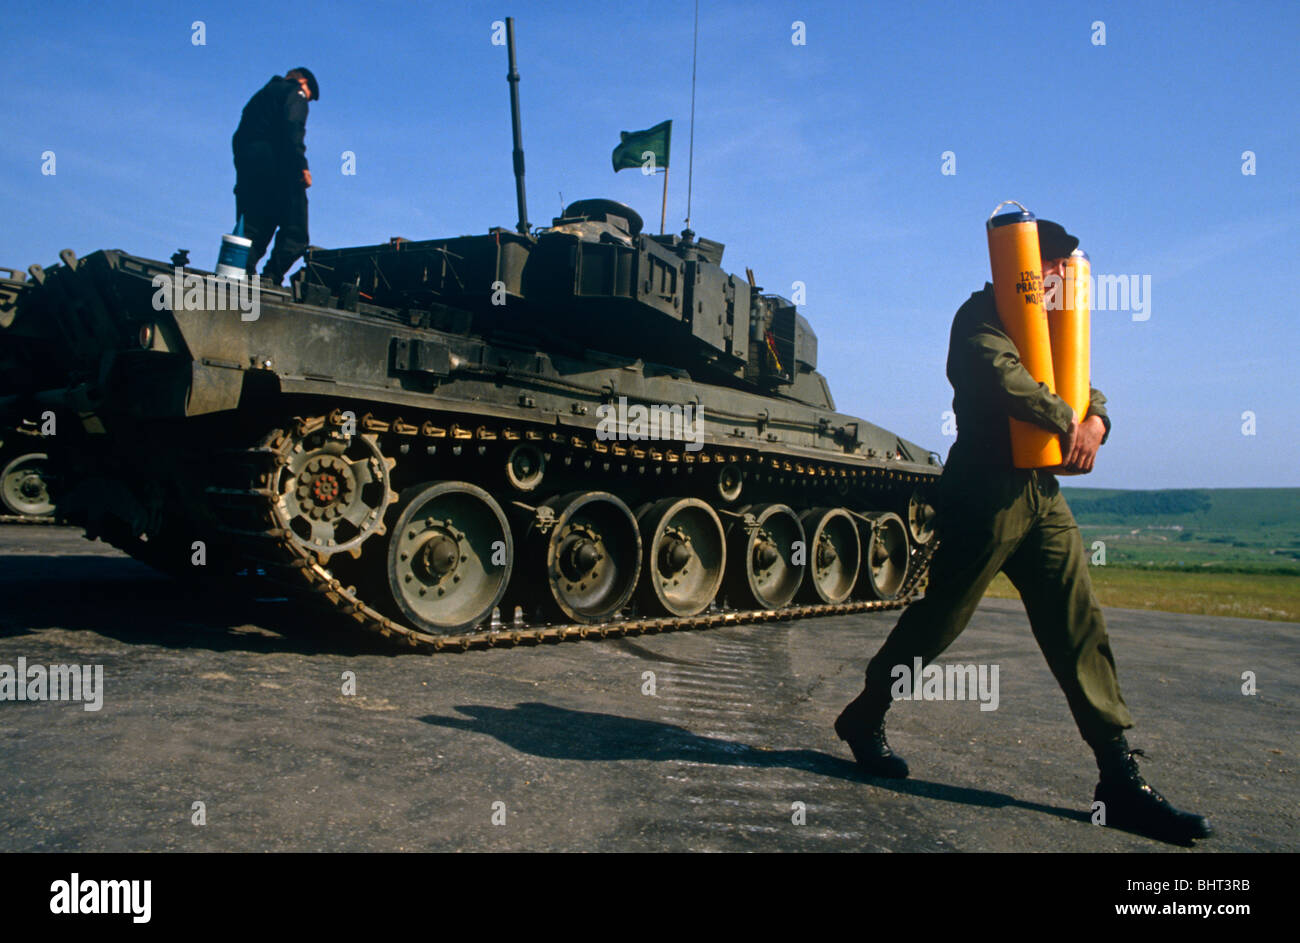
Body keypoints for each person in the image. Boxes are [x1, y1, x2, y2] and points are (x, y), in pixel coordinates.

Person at [834, 219, 1213, 844]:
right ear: (1033, 267)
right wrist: (1070, 419)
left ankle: (1119, 780)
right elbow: (1002, 375)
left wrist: (1098, 422)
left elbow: (1082, 384)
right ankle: (866, 714)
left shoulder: (1057, 326)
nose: (1070, 282)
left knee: (1078, 622)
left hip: (1043, 494)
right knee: (941, 620)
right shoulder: (980, 315)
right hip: (987, 490)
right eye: (1062, 269)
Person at [231, 68, 318, 285]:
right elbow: (293, 127)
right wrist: (301, 166)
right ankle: (271, 277)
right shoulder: (294, 93)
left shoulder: (259, 97)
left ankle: (241, 274)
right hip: (281, 169)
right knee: (296, 232)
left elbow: (238, 137)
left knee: (254, 227)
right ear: (303, 82)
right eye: (308, 96)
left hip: (250, 173)